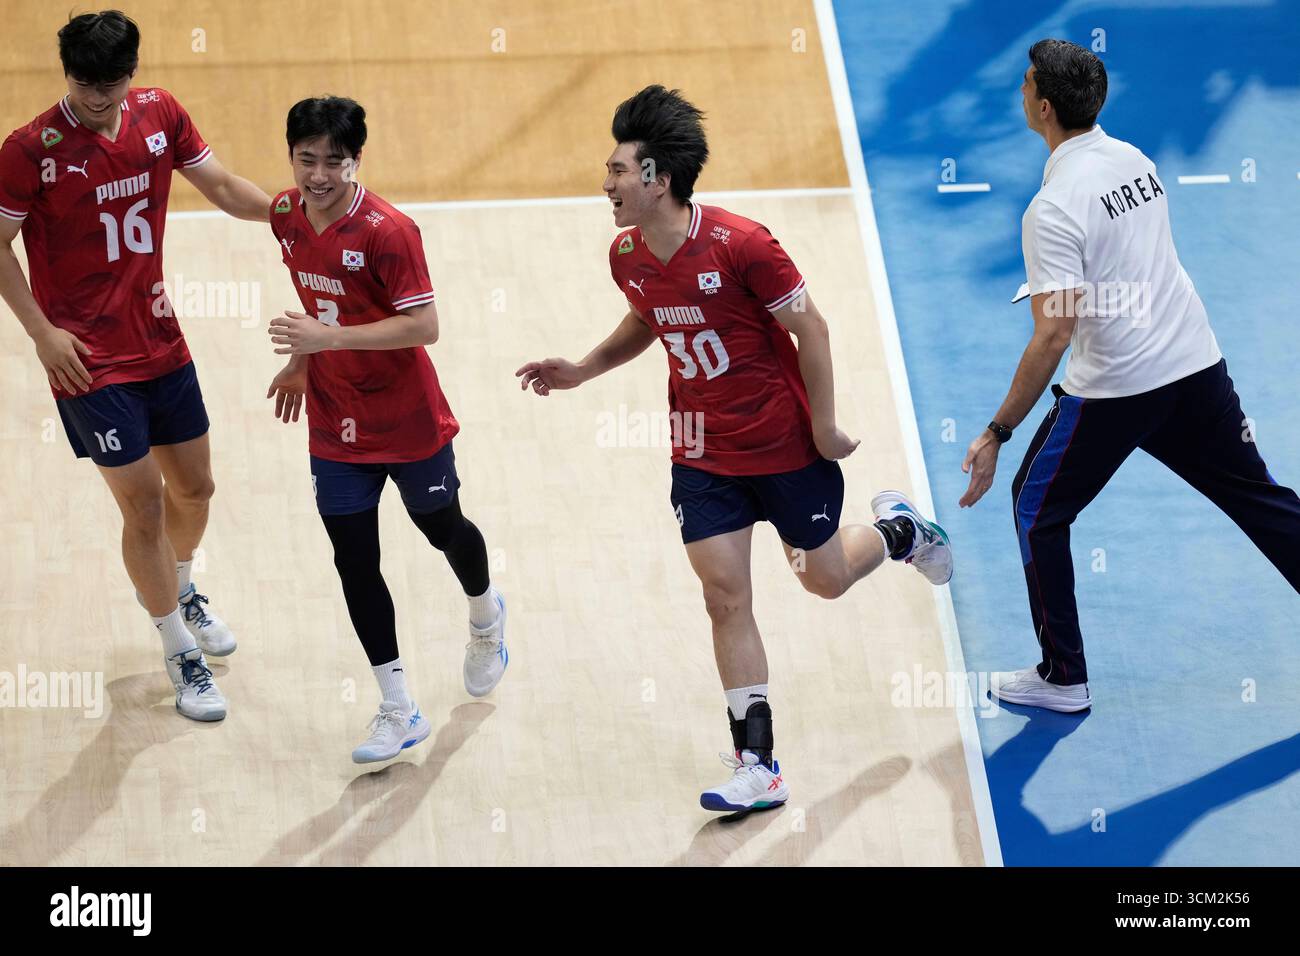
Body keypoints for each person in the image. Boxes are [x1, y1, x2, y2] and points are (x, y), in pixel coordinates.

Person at [517, 85, 952, 812]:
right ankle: (760, 764)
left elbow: (810, 329)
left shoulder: (744, 246)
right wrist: (584, 369)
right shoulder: (627, 253)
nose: (607, 183)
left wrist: (824, 427)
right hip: (700, 450)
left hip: (785, 448)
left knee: (825, 579)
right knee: (725, 598)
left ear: (656, 178)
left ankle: (901, 532)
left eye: (618, 170)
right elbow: (649, 318)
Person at [959, 39, 1300, 712]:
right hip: (1194, 364)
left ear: (1044, 107)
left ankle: (1064, 677)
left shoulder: (1051, 210)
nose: (1020, 93)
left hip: (1119, 387)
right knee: (1260, 497)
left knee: (1035, 506)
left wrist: (997, 431)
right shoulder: (1135, 160)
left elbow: (1053, 332)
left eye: (1026, 85)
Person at [0, 10, 272, 721]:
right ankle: (178, 649)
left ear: (133, 72)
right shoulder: (31, 149)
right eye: (86, 82)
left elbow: (220, 186)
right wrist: (41, 333)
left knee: (197, 489)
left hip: (159, 337)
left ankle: (181, 585)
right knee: (145, 505)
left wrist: (293, 210)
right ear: (67, 73)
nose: (98, 95)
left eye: (112, 81)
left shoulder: (159, 115)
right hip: (87, 360)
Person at [265, 96, 508, 764]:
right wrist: (299, 361)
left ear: (356, 161)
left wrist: (325, 337)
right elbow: (321, 307)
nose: (318, 173)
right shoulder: (285, 215)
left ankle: (486, 616)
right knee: (354, 558)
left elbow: (424, 326)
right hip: (334, 419)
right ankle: (398, 708)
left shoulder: (387, 231)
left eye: (333, 161)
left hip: (405, 414)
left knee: (440, 527)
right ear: (290, 156)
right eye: (305, 158)